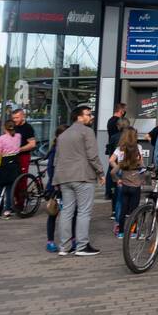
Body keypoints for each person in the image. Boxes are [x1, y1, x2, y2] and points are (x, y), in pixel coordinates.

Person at [54, 105, 103, 256]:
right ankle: (82, 246)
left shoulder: (63, 135)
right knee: (83, 211)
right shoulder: (87, 132)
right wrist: (100, 172)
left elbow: (57, 159)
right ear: (79, 117)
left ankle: (64, 246)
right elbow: (92, 156)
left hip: (64, 177)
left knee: (67, 211)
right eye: (88, 114)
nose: (91, 117)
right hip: (82, 176)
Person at [111, 127, 147, 237]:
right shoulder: (138, 149)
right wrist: (144, 180)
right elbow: (143, 168)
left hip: (124, 183)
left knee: (122, 208)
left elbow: (112, 171)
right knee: (134, 210)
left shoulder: (120, 151)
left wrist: (118, 180)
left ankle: (121, 232)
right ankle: (133, 232)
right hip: (135, 185)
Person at [0, 117, 22, 218]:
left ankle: (0, 207)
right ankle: (7, 209)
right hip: (15, 162)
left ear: (5, 128)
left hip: (5, 163)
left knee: (2, 185)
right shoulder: (18, 136)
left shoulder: (1, 139)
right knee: (10, 187)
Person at [44, 123, 68, 252]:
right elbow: (51, 170)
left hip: (64, 185)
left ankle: (69, 239)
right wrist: (56, 184)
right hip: (56, 187)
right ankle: (50, 241)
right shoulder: (55, 150)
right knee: (53, 214)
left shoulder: (66, 149)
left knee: (68, 214)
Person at [104, 102, 127, 201]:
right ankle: (115, 189)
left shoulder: (110, 120)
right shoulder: (119, 121)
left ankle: (109, 191)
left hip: (112, 146)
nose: (125, 112)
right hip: (119, 148)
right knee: (118, 168)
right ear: (121, 110)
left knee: (111, 169)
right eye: (124, 110)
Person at [11, 108, 38, 177]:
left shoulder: (28, 128)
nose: (15, 120)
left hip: (23, 156)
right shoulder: (13, 126)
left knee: (22, 178)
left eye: (17, 117)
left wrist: (18, 149)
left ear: (23, 116)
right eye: (13, 118)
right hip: (12, 157)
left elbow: (32, 144)